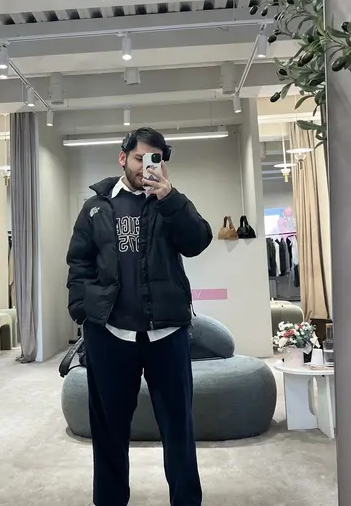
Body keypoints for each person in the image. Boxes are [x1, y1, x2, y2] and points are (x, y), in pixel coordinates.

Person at [66, 127, 213, 506]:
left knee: (178, 428)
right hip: (110, 336)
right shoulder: (96, 207)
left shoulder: (170, 201)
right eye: (139, 158)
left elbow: (198, 241)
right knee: (109, 431)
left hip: (167, 335)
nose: (145, 166)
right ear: (122, 158)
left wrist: (169, 198)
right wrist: (84, 312)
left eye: (154, 159)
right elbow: (79, 263)